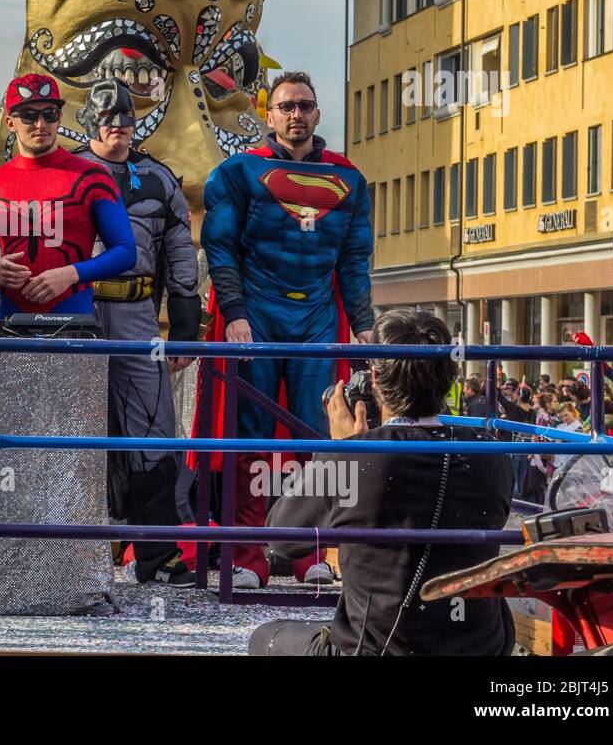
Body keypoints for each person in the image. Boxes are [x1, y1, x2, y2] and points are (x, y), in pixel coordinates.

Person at [248, 309, 514, 656]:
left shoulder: (353, 458)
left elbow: (282, 540)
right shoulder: (493, 454)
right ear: (450, 377)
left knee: (265, 637)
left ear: (374, 379)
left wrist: (337, 451)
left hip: (376, 647)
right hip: (479, 646)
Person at [199, 70, 372, 590]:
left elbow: (355, 257)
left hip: (318, 315)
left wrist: (363, 324)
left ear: (317, 114)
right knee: (248, 438)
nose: (296, 115)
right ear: (268, 115)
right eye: (286, 106)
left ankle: (309, 553)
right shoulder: (236, 174)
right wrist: (234, 313)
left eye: (305, 106)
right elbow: (221, 248)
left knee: (315, 438)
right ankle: (248, 554)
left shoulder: (351, 180)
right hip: (257, 311)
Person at [70, 79, 201, 588]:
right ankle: (69, 554)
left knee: (154, 429)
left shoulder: (157, 178)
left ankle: (156, 553)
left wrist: (186, 322)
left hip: (136, 316)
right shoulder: (68, 173)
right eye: (108, 122)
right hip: (76, 314)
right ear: (90, 124)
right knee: (70, 434)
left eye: (125, 121)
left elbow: (180, 251)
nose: (118, 130)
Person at [0, 72, 136, 317]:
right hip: (12, 326)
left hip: (75, 329)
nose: (41, 124)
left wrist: (70, 274)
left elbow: (125, 251)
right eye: (29, 116)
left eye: (49, 114)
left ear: (59, 117)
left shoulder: (94, 177)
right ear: (10, 123)